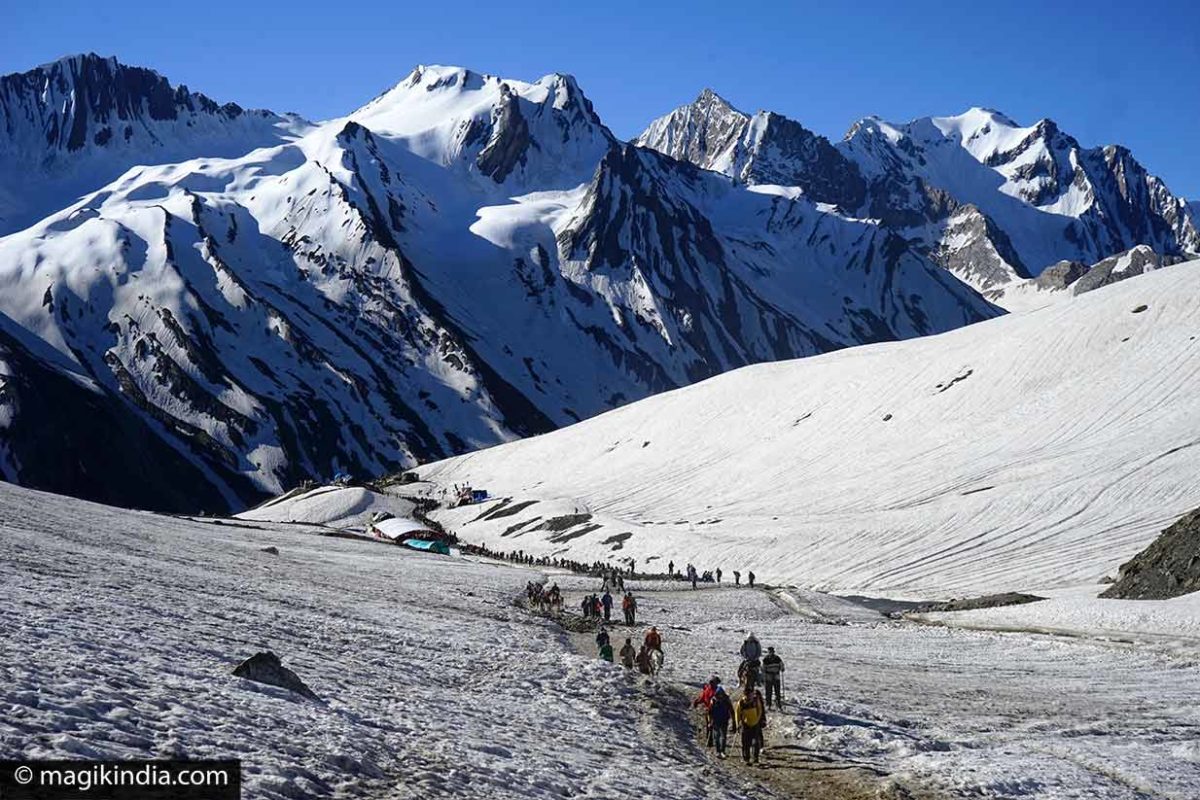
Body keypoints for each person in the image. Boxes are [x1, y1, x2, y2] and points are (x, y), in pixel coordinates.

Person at [736, 686, 767, 765]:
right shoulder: (741, 702)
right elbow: (738, 714)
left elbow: (760, 710)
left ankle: (755, 758)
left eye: (749, 694)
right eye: (747, 695)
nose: (748, 696)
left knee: (755, 742)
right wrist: (737, 724)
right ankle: (746, 758)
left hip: (755, 724)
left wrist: (757, 719)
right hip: (745, 725)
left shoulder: (756, 701)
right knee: (746, 743)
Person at [710, 685, 736, 758]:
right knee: (716, 736)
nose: (720, 696)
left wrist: (733, 720)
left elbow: (731, 710)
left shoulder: (726, 700)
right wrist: (711, 721)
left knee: (723, 736)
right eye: (719, 694)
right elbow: (710, 712)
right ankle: (718, 751)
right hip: (716, 721)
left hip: (724, 720)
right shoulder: (713, 701)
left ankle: (722, 751)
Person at [763, 646, 785, 710]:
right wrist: (764, 672)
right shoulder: (766, 659)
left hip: (776, 676)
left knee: (777, 691)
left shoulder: (777, 658)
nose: (771, 653)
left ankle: (778, 704)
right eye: (769, 652)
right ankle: (768, 704)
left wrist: (782, 668)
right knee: (768, 691)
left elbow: (781, 665)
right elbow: (763, 668)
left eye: (772, 652)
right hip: (769, 677)